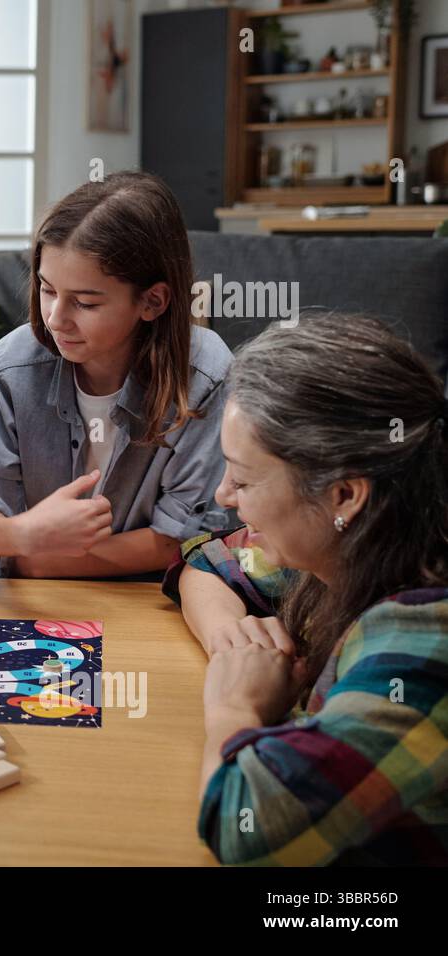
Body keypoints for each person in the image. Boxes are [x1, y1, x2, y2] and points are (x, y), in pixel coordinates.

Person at [168, 313, 448, 865]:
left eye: (244, 479)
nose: (224, 496)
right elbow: (206, 562)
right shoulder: (356, 543)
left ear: (343, 495)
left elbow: (247, 828)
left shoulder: (422, 647)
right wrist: (240, 648)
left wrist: (234, 705)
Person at [0, 172, 231, 578]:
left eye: (85, 303)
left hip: (147, 603)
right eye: (47, 289)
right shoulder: (13, 362)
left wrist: (36, 558)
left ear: (153, 301)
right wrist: (21, 535)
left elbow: (182, 537)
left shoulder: (205, 375)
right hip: (36, 606)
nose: (55, 319)